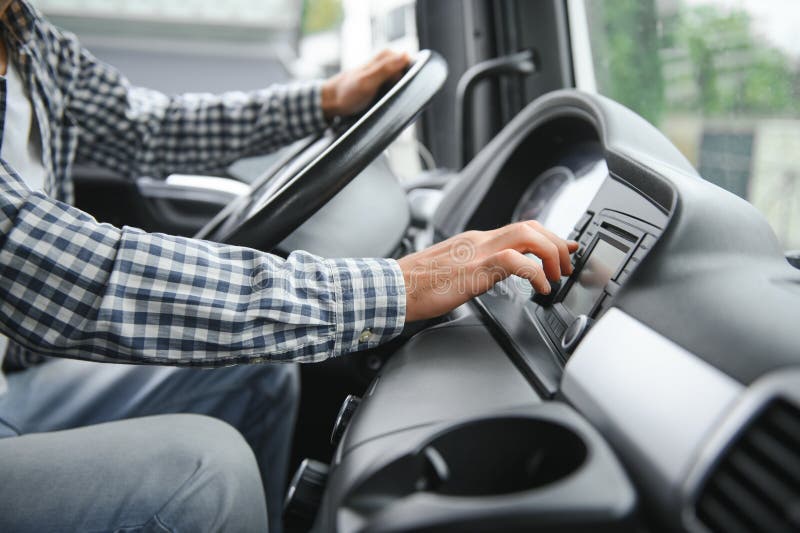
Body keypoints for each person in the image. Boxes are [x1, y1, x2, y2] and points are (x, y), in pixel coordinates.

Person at [0, 1, 577, 532]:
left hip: (17, 375)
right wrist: (400, 285)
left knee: (259, 370)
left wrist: (325, 100)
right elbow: (69, 272)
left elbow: (142, 124)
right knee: (207, 477)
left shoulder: (22, 31)